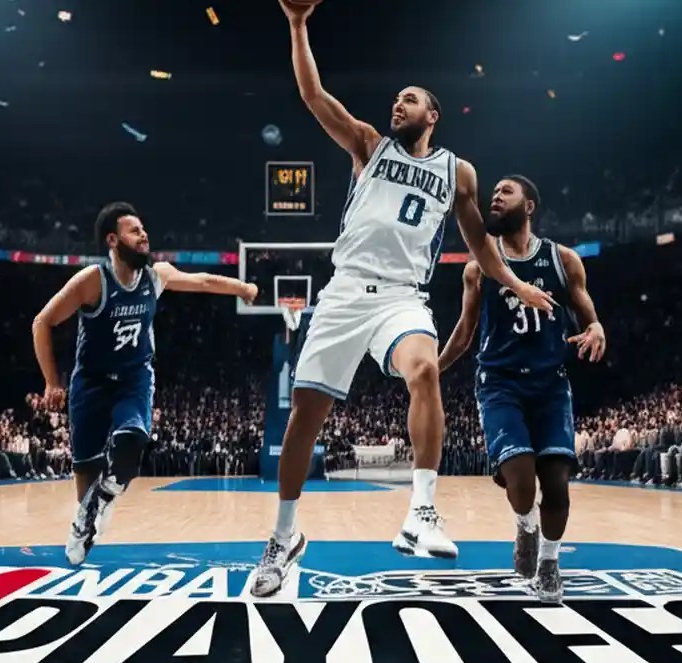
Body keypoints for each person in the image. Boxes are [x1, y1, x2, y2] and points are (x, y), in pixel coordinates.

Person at [250, 0, 555, 598]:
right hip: (343, 292)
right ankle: (284, 536)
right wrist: (296, 23)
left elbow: (479, 245)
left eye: (410, 100)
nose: (398, 105)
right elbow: (314, 97)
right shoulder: (369, 145)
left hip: (402, 295)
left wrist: (516, 284)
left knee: (424, 369)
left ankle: (421, 511)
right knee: (304, 420)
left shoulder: (457, 173)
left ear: (433, 114)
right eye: (396, 100)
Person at [32, 201, 259, 564]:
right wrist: (50, 382)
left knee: (132, 439)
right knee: (86, 470)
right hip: (89, 382)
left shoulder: (157, 275)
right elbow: (41, 322)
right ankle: (85, 520)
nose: (144, 235)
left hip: (133, 378)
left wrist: (242, 287)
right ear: (112, 239)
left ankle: (105, 496)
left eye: (143, 229)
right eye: (134, 230)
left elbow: (202, 282)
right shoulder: (92, 280)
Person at [438, 175, 606, 604]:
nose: (495, 197)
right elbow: (465, 330)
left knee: (558, 483)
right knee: (521, 475)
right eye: (492, 192)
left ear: (528, 206)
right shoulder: (479, 265)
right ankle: (525, 526)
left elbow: (587, 311)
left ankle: (549, 563)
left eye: (505, 193)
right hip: (499, 381)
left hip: (550, 385)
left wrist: (597, 328)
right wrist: (433, 371)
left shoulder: (563, 260)